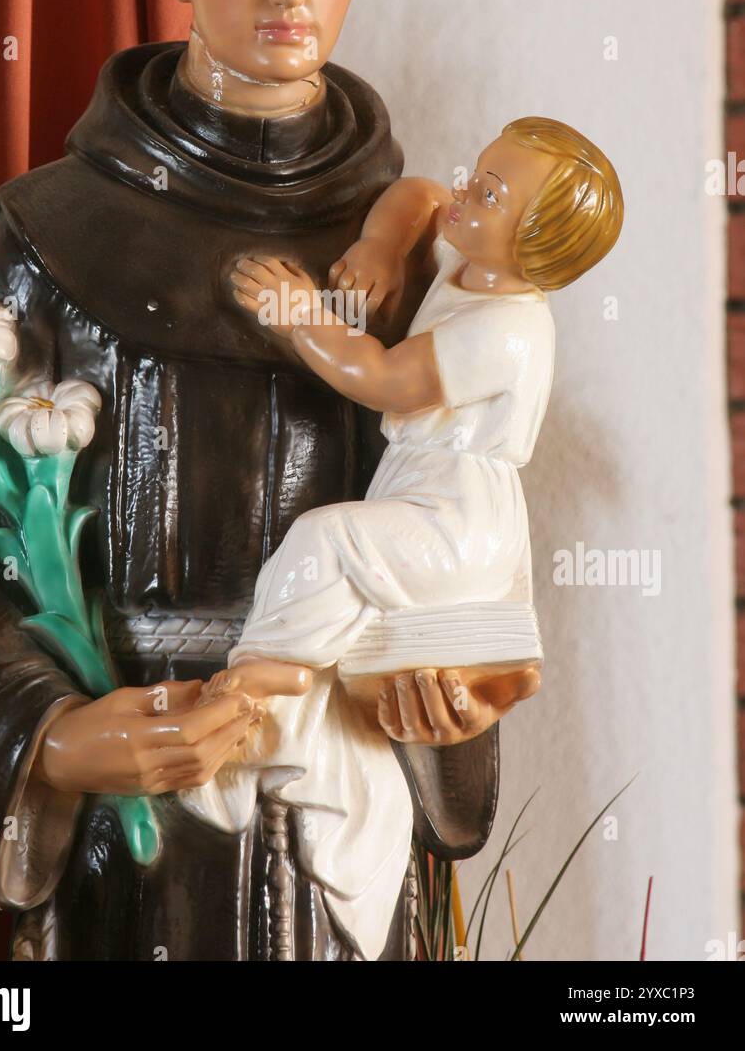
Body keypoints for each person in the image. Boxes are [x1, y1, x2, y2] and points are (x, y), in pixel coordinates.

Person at [0, 0, 522, 961]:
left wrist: (448, 681)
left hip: (350, 812)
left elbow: (473, 500)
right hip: (136, 829)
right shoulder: (54, 233)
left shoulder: (428, 254)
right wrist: (56, 737)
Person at [179, 117, 624, 960]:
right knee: (335, 562)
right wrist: (385, 243)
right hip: (429, 493)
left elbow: (377, 376)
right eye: (480, 171)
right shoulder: (475, 263)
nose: (465, 191)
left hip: (456, 518)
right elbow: (421, 195)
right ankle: (285, 702)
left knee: (325, 545)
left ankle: (261, 687)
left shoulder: (510, 330)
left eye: (490, 193)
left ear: (534, 243)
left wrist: (297, 312)